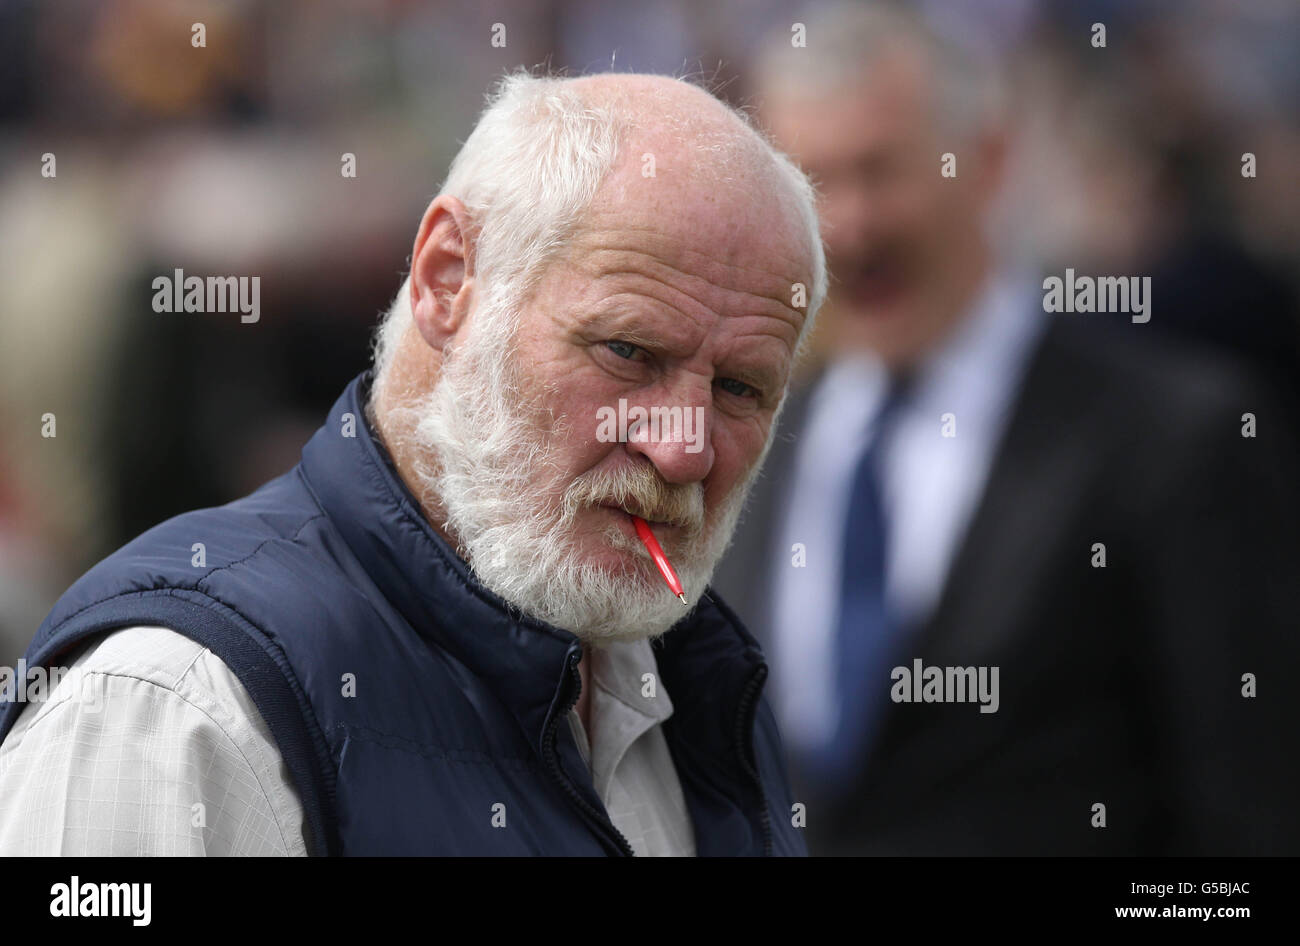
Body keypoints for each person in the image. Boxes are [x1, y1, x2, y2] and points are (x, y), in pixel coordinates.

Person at [0, 71, 826, 856]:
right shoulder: (178, 708)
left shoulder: (702, 691)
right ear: (447, 279)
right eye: (627, 350)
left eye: (742, 389)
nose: (683, 447)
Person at [712, 3, 1300, 855]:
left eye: (880, 171)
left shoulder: (1176, 437)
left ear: (986, 161)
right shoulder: (752, 441)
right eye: (812, 183)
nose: (849, 225)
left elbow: (1252, 817)